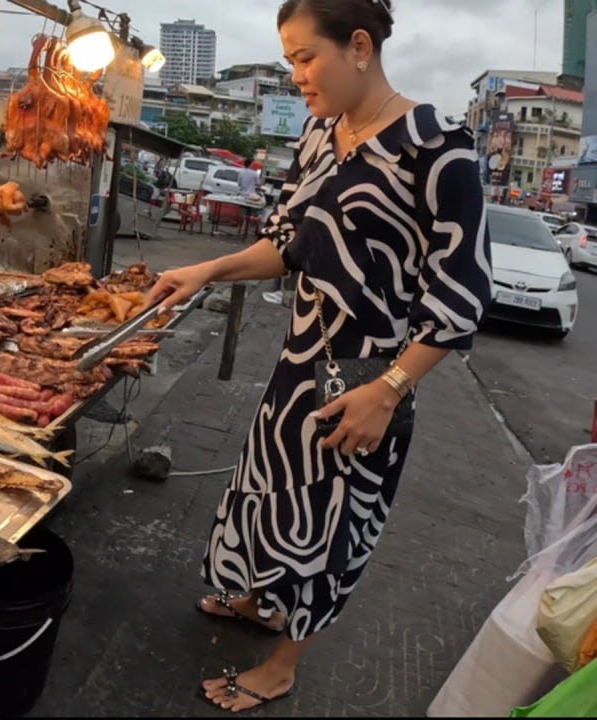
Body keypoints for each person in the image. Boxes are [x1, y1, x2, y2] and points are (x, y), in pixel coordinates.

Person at [144, 0, 492, 711]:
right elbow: (288, 243)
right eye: (289, 60)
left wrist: (391, 389)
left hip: (369, 379)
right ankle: (257, 601)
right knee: (271, 488)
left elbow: (464, 289)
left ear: (359, 46)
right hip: (301, 360)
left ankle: (283, 664)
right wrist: (208, 271)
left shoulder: (437, 144)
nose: (296, 75)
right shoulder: (319, 134)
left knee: (336, 520)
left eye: (306, 57)